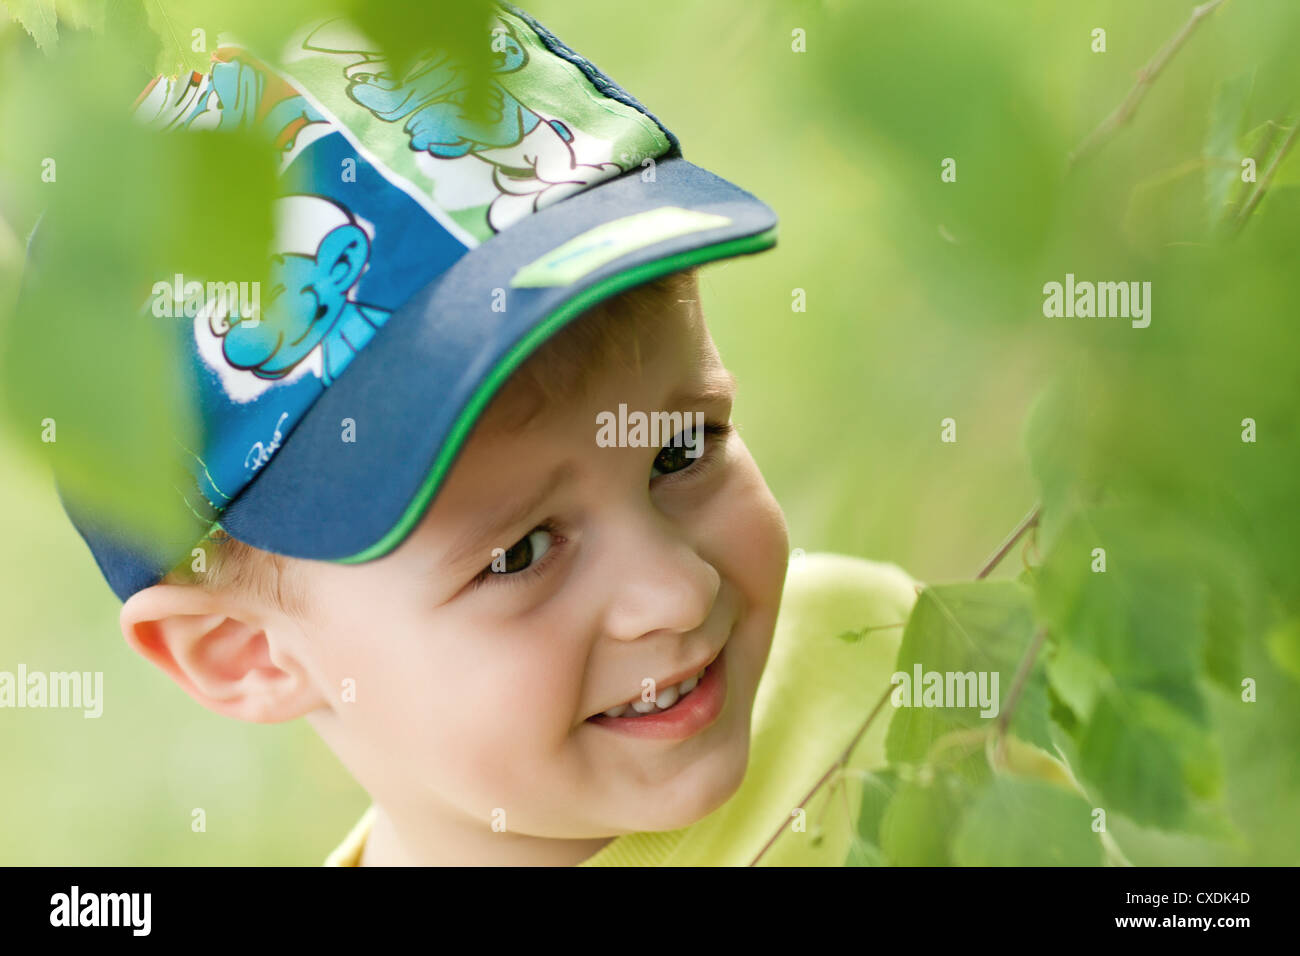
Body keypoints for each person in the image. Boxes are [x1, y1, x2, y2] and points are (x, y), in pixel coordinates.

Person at [49, 2, 916, 866]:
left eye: (680, 451)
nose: (677, 592)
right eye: (520, 553)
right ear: (246, 654)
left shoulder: (878, 659)